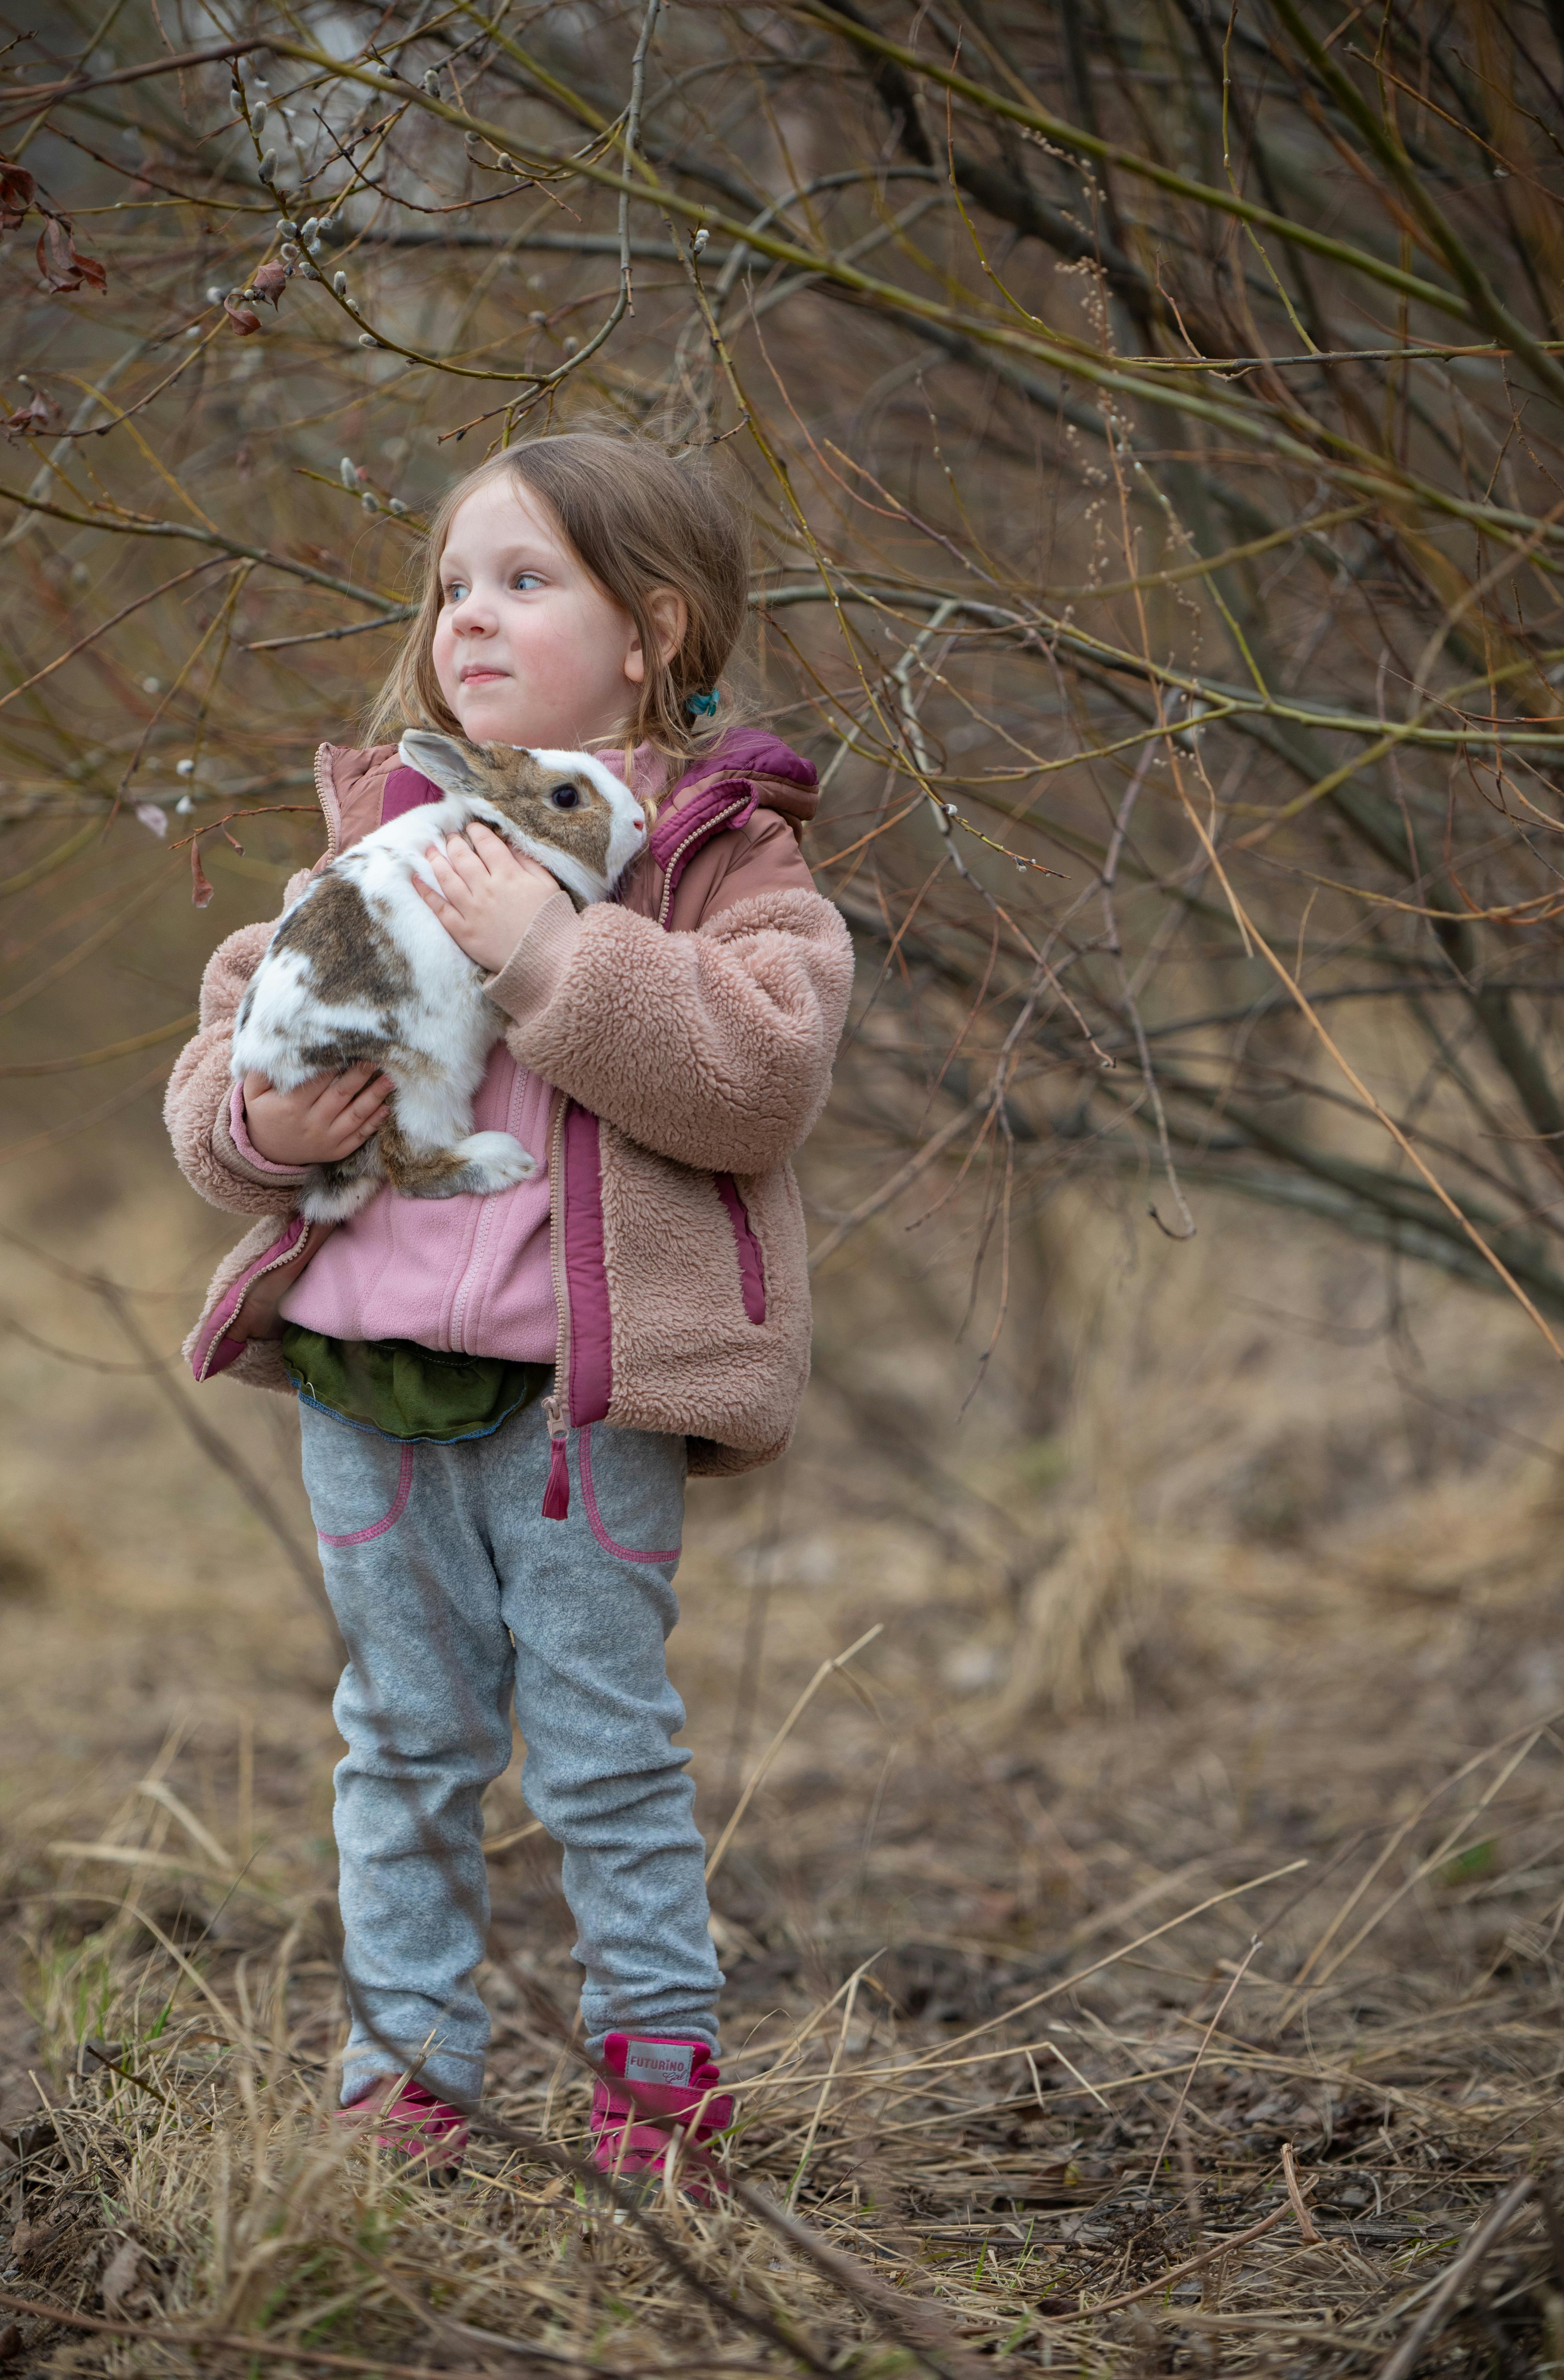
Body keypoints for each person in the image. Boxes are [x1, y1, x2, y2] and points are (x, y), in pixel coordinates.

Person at [164, 430, 853, 2193]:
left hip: (576, 1405)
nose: (470, 614)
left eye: (526, 580)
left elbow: (755, 1080)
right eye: (454, 584)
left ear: (653, 633)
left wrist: (549, 957)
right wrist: (257, 1124)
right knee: (399, 1742)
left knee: (607, 1747)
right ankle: (405, 2085)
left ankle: (657, 2087)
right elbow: (236, 1031)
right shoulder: (385, 828)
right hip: (363, 1374)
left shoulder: (721, 865)